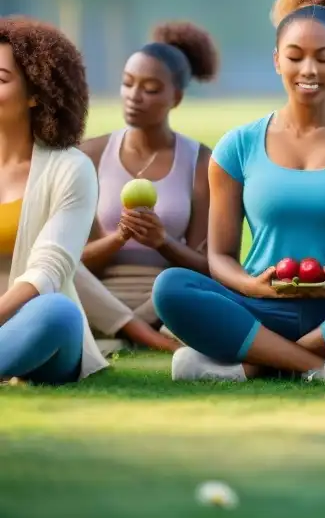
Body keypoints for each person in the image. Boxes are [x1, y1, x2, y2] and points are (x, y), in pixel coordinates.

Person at [152, 0, 325, 382]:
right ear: (276, 60)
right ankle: (323, 369)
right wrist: (255, 287)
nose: (309, 69)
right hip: (257, 309)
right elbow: (220, 258)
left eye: (324, 57)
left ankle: (250, 367)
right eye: (295, 56)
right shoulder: (237, 147)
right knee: (171, 287)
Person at [74, 22, 219, 354]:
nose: (134, 96)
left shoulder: (200, 161)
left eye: (150, 89)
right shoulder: (89, 155)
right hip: (101, 295)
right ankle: (149, 337)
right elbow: (75, 260)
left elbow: (209, 267)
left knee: (201, 288)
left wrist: (163, 241)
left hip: (167, 296)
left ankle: (119, 335)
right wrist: (119, 238)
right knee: (56, 270)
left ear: (176, 97)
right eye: (127, 84)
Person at [0, 17, 106, 383]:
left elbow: (48, 270)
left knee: (58, 312)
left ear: (35, 93)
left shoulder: (71, 168)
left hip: (34, 325)